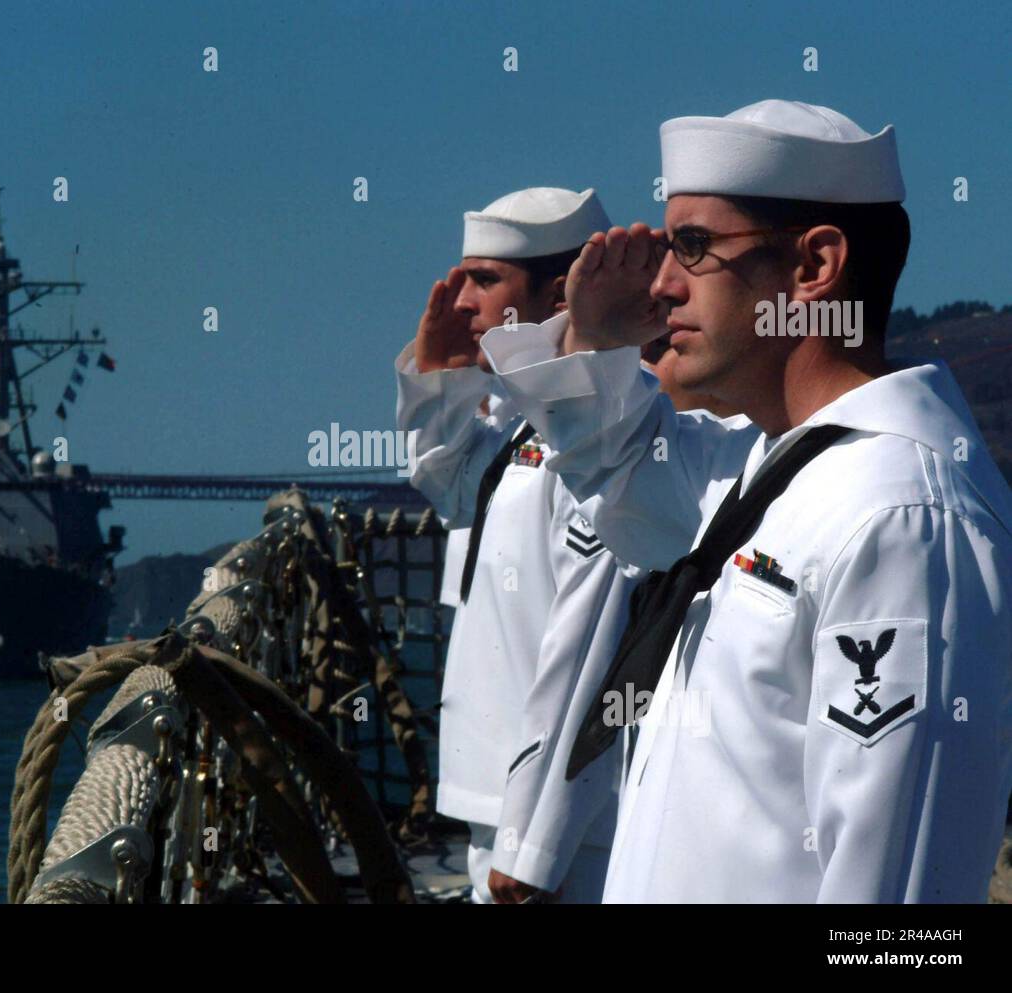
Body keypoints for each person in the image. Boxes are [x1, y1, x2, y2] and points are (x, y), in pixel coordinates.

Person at [480, 100, 1012, 902]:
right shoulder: (767, 469)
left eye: (692, 247)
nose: (660, 286)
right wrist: (594, 345)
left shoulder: (901, 519)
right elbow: (616, 470)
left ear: (813, 268)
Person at [397, 187, 642, 903]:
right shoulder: (522, 429)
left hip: (570, 816)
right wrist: (445, 383)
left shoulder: (605, 434)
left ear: (562, 290)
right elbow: (452, 489)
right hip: (498, 793)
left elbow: (592, 654)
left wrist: (533, 843)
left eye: (485, 279)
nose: (462, 300)